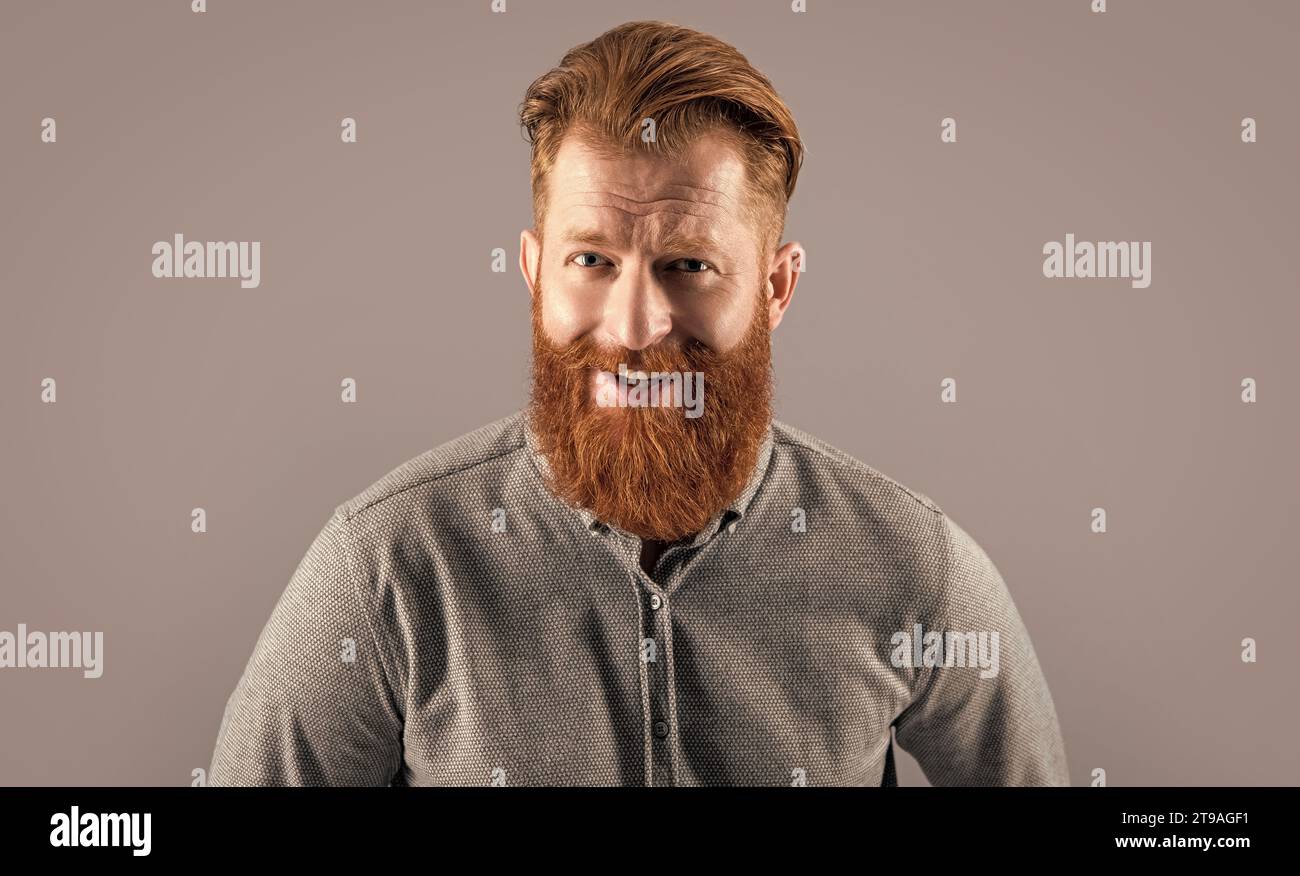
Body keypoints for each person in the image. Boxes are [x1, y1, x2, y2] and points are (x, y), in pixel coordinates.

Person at [209, 20, 1068, 787]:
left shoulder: (912, 566)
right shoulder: (384, 572)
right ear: (536, 273)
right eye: (592, 261)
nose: (634, 326)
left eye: (688, 265)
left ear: (775, 287)